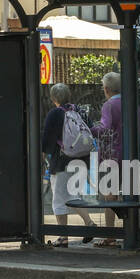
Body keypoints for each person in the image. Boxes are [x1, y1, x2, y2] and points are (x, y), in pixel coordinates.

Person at [91, 71, 140, 246]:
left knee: (109, 195)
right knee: (129, 194)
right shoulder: (132, 104)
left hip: (111, 156)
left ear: (106, 89)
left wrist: (92, 129)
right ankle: (132, 233)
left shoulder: (109, 105)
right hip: (129, 155)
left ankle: (110, 235)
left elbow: (104, 128)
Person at [40, 82, 94, 246]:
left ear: (54, 98)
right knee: (73, 195)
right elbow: (90, 129)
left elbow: (47, 139)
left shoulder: (55, 113)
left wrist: (42, 158)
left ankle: (63, 237)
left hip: (62, 161)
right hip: (81, 160)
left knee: (58, 199)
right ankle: (89, 223)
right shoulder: (79, 111)